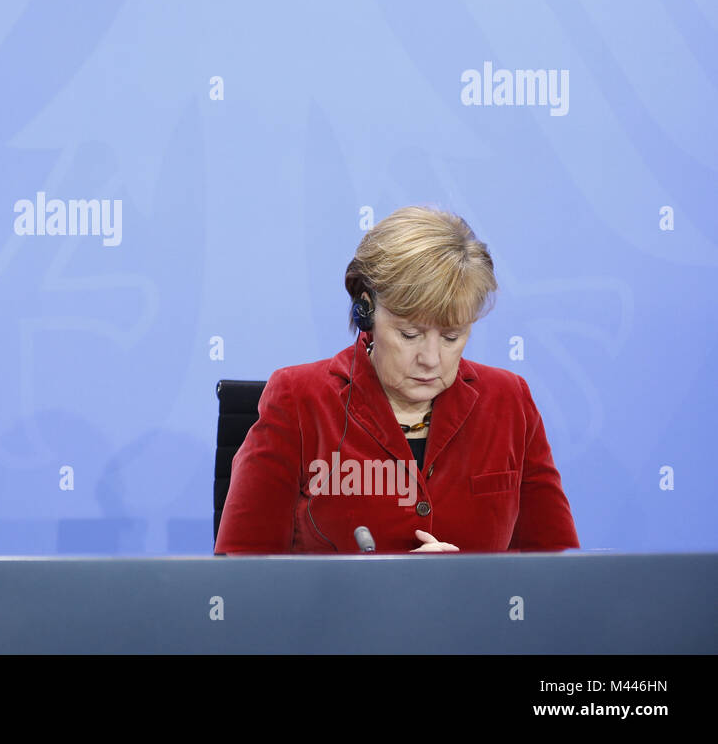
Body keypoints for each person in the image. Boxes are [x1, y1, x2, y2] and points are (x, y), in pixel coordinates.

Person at [215, 207, 578, 554]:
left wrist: (464, 587)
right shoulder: (297, 399)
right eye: (409, 334)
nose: (431, 359)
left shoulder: (510, 401)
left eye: (451, 337)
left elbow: (557, 578)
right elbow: (243, 577)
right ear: (366, 311)